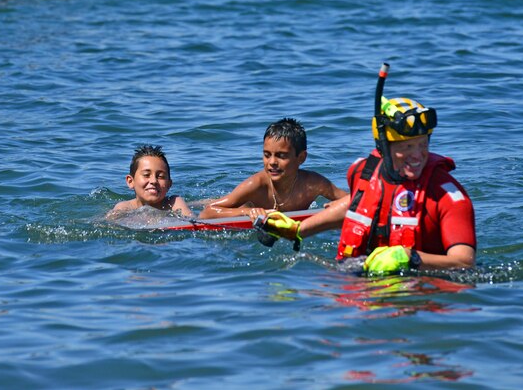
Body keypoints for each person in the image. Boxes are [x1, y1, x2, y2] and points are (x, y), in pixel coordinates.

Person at [258, 89, 477, 275]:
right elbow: (358, 206)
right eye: (406, 147)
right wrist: (298, 229)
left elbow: (465, 262)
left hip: (421, 292)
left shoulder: (448, 196)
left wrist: (410, 258)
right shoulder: (365, 174)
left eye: (422, 145)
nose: (417, 155)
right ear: (383, 146)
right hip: (360, 284)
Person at [198, 118, 347, 219]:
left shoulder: (313, 184)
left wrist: (336, 206)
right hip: (241, 205)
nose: (272, 162)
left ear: (301, 158)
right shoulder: (256, 184)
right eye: (267, 155)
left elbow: (351, 199)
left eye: (281, 156)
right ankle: (191, 205)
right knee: (204, 207)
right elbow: (207, 212)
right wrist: (246, 212)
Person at [108, 145, 191, 217]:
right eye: (146, 175)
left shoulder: (174, 203)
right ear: (130, 181)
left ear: (169, 184)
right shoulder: (124, 207)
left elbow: (193, 221)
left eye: (160, 176)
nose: (154, 181)